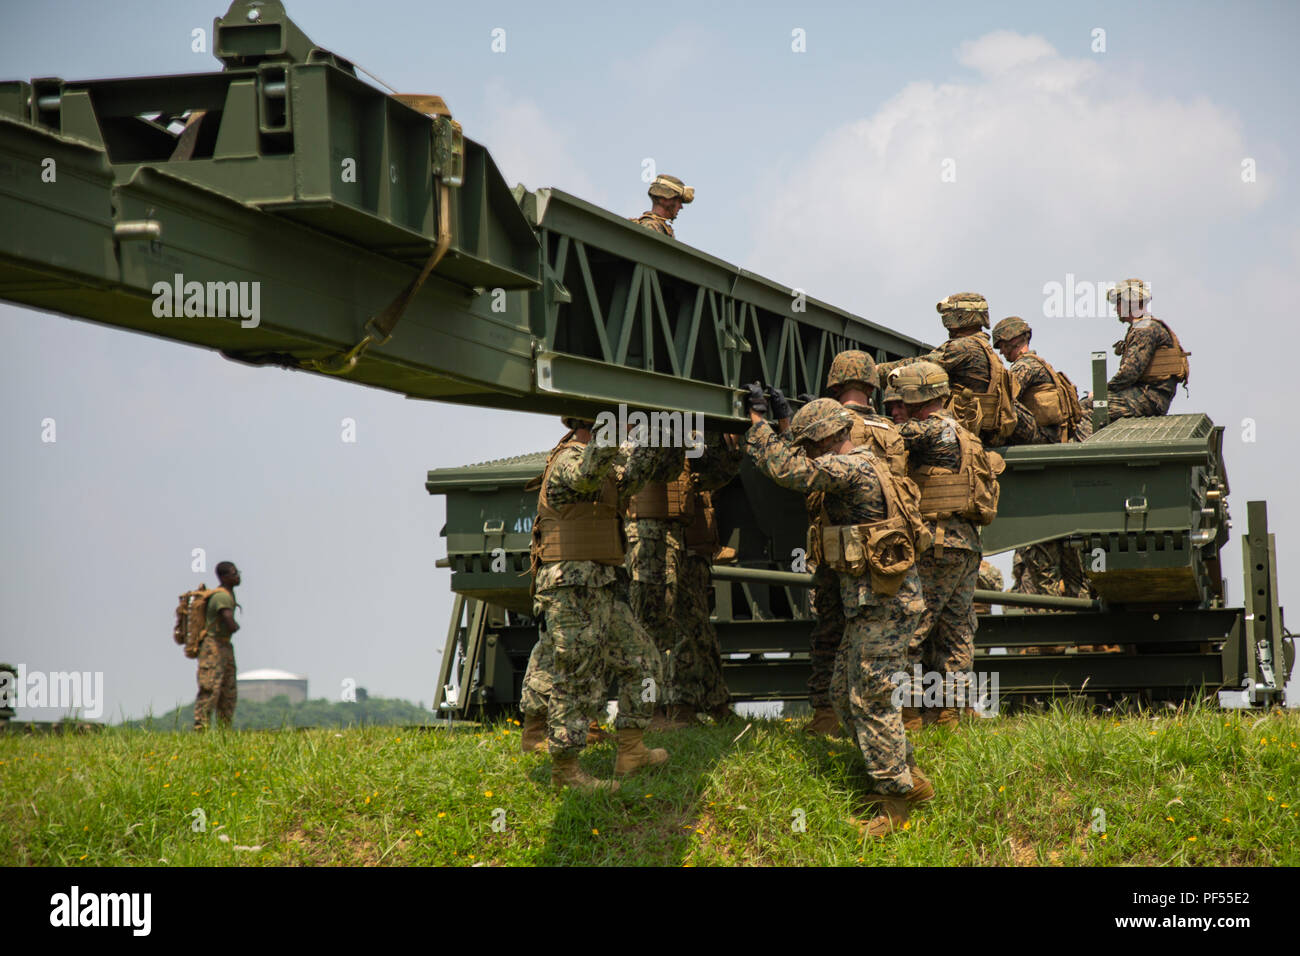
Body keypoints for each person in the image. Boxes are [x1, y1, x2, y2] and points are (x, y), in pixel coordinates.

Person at [743, 390, 933, 837]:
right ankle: (905, 774)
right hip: (874, 604)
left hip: (884, 605)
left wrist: (757, 427)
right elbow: (805, 463)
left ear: (826, 441)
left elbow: (791, 472)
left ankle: (894, 802)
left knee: (870, 699)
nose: (807, 452)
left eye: (810, 444)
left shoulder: (852, 467)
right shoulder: (863, 462)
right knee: (845, 694)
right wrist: (788, 424)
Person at [525, 414, 671, 792]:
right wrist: (612, 428)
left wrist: (657, 434)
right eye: (620, 425)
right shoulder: (568, 460)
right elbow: (587, 476)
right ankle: (566, 771)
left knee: (644, 661)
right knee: (577, 677)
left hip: (602, 586)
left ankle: (631, 750)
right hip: (570, 590)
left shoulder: (606, 465)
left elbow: (633, 477)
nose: (625, 432)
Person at [889, 362, 1002, 730]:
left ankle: (908, 716)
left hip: (937, 546)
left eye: (902, 397)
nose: (897, 405)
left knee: (911, 629)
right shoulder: (966, 434)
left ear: (917, 396)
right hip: (966, 547)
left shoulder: (928, 430)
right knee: (956, 634)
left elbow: (883, 439)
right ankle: (949, 715)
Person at [801, 352, 908, 737]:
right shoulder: (892, 431)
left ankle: (826, 716)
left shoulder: (822, 425)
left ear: (833, 385)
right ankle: (900, 715)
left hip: (833, 545)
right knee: (885, 639)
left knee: (829, 629)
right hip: (884, 550)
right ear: (871, 385)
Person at [991, 315, 1096, 609]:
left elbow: (1001, 398)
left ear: (1013, 342)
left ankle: (1051, 621)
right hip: (1058, 460)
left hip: (1041, 458)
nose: (1002, 353)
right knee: (1073, 563)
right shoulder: (1045, 366)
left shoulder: (1024, 367)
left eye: (1003, 347)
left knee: (1042, 561)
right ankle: (1083, 628)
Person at [664, 433, 744, 724]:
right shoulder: (657, 446)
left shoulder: (692, 451)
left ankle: (715, 705)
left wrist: (733, 450)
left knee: (701, 632)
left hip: (695, 550)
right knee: (684, 631)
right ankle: (681, 707)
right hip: (672, 549)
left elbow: (716, 474)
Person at [878, 293, 1016, 446]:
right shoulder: (985, 348)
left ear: (962, 315)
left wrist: (875, 370)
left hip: (960, 433)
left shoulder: (963, 347)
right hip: (978, 434)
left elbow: (920, 367)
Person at [1106, 278, 1189, 421]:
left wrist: (1102, 392)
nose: (1116, 309)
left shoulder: (1144, 328)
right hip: (1148, 396)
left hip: (1148, 398)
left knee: (1087, 409)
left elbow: (1130, 373)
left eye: (1118, 303)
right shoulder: (1144, 326)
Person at [194, 561, 241, 731]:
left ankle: (224, 730)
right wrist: (234, 626)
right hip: (213, 647)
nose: (237, 577)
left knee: (227, 691)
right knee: (210, 689)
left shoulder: (228, 594)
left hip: (224, 646)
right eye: (233, 573)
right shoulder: (221, 596)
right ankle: (201, 728)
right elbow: (228, 619)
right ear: (223, 577)